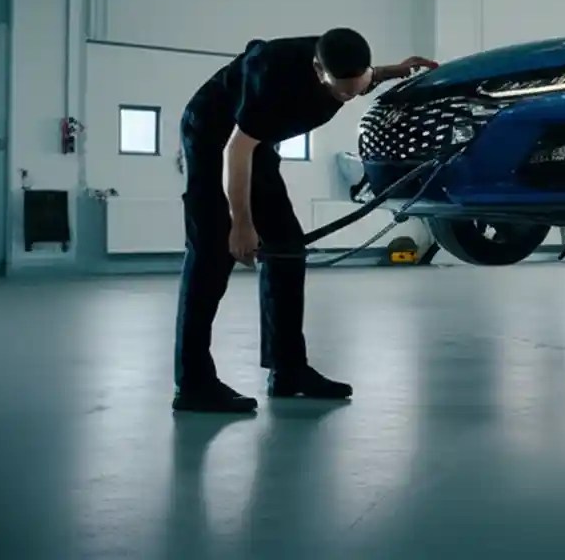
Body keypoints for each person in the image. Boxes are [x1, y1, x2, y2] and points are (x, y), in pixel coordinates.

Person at [172, 28, 437, 413]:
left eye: (354, 85)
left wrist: (396, 70)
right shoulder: (271, 78)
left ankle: (288, 371)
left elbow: (363, 78)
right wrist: (242, 224)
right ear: (318, 70)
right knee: (212, 252)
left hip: (256, 143)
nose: (347, 95)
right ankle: (193, 383)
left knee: (287, 247)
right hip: (214, 135)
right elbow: (237, 151)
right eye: (339, 88)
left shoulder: (350, 70)